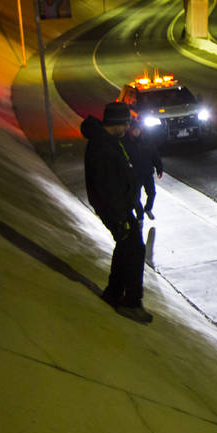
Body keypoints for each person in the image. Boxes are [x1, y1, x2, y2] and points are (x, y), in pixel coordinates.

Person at [80, 102, 152, 324]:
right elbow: (107, 188)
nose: (128, 127)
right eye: (127, 123)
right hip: (115, 209)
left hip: (121, 206)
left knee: (126, 247)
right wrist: (121, 219)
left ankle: (113, 293)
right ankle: (131, 302)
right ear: (117, 124)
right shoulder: (102, 148)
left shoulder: (110, 141)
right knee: (135, 249)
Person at [125, 123, 163, 222]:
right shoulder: (127, 143)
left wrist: (159, 168)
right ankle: (140, 216)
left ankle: (148, 209)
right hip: (135, 175)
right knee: (136, 198)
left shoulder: (147, 142)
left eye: (138, 130)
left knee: (152, 193)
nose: (136, 132)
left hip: (147, 173)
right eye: (134, 130)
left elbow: (155, 156)